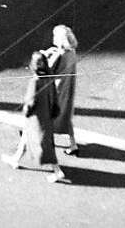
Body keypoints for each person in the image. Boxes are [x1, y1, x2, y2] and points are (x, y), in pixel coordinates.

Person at [10, 48, 68, 182]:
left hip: (35, 118)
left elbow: (30, 102)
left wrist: (26, 111)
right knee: (26, 136)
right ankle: (16, 158)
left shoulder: (35, 81)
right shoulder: (49, 78)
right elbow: (54, 97)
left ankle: (57, 171)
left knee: (45, 146)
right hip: (47, 116)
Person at [47, 25, 80, 155]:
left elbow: (48, 69)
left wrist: (47, 54)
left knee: (46, 114)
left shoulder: (59, 55)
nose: (53, 37)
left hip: (56, 89)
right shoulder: (72, 52)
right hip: (67, 88)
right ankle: (73, 144)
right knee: (65, 116)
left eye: (55, 35)